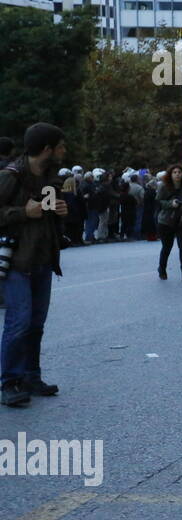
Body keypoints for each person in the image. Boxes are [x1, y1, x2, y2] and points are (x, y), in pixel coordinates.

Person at [0, 123, 68, 408]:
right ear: (46, 149)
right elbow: (14, 213)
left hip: (43, 259)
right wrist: (22, 212)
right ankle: (9, 382)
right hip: (16, 261)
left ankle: (31, 376)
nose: (65, 151)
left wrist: (61, 212)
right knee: (19, 323)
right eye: (61, 146)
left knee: (36, 325)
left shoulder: (51, 178)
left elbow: (47, 215)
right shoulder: (10, 176)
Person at [155, 165, 182, 282]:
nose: (177, 174)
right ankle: (162, 269)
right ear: (170, 175)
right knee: (167, 247)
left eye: (179, 172)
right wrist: (170, 204)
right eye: (175, 172)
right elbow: (158, 202)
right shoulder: (163, 186)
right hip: (166, 221)